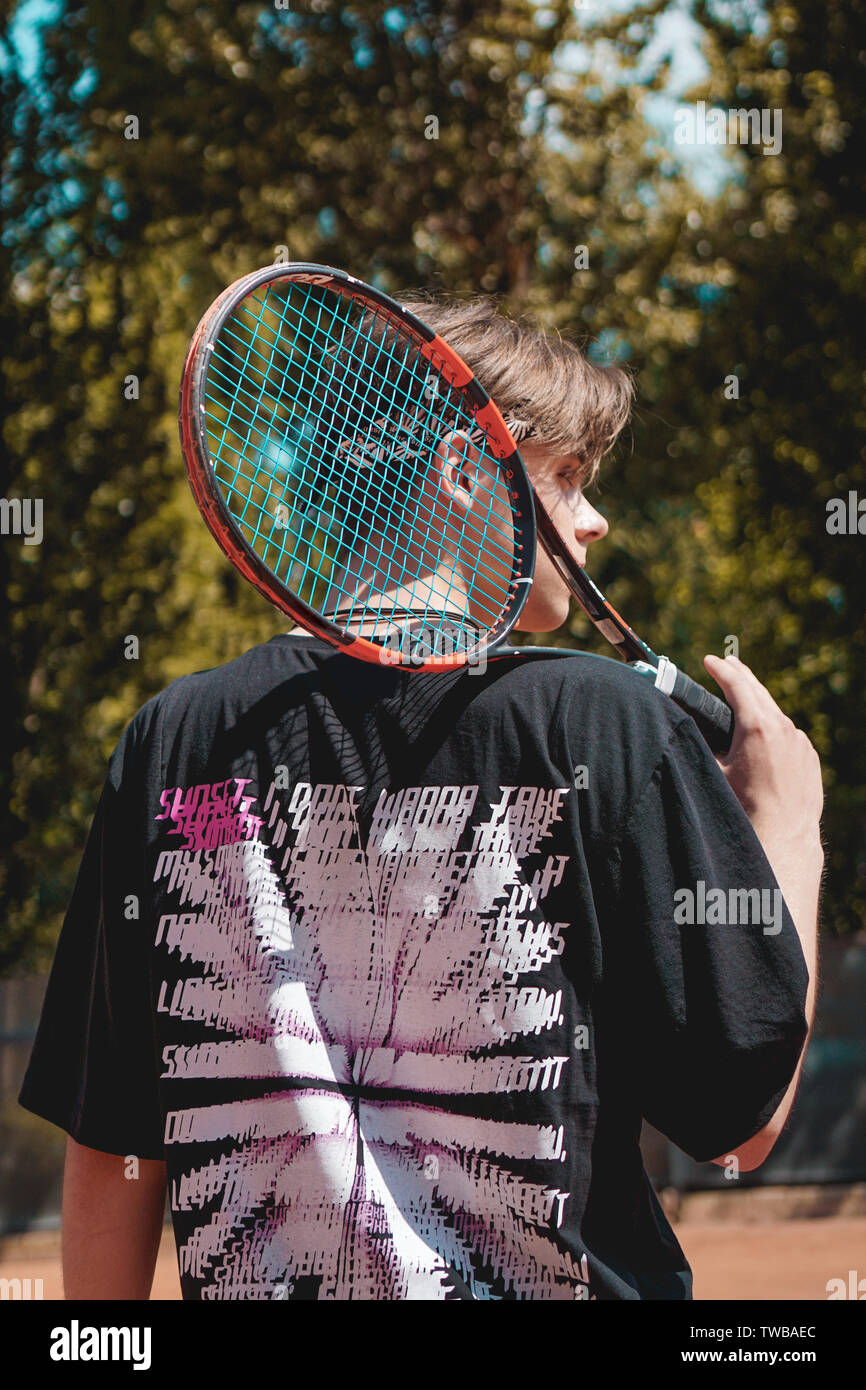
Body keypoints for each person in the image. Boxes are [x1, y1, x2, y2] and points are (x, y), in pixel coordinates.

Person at [19, 297, 823, 1301]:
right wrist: (790, 831)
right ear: (458, 470)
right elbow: (742, 1119)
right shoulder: (604, 723)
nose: (593, 518)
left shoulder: (175, 736)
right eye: (566, 477)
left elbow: (114, 1139)